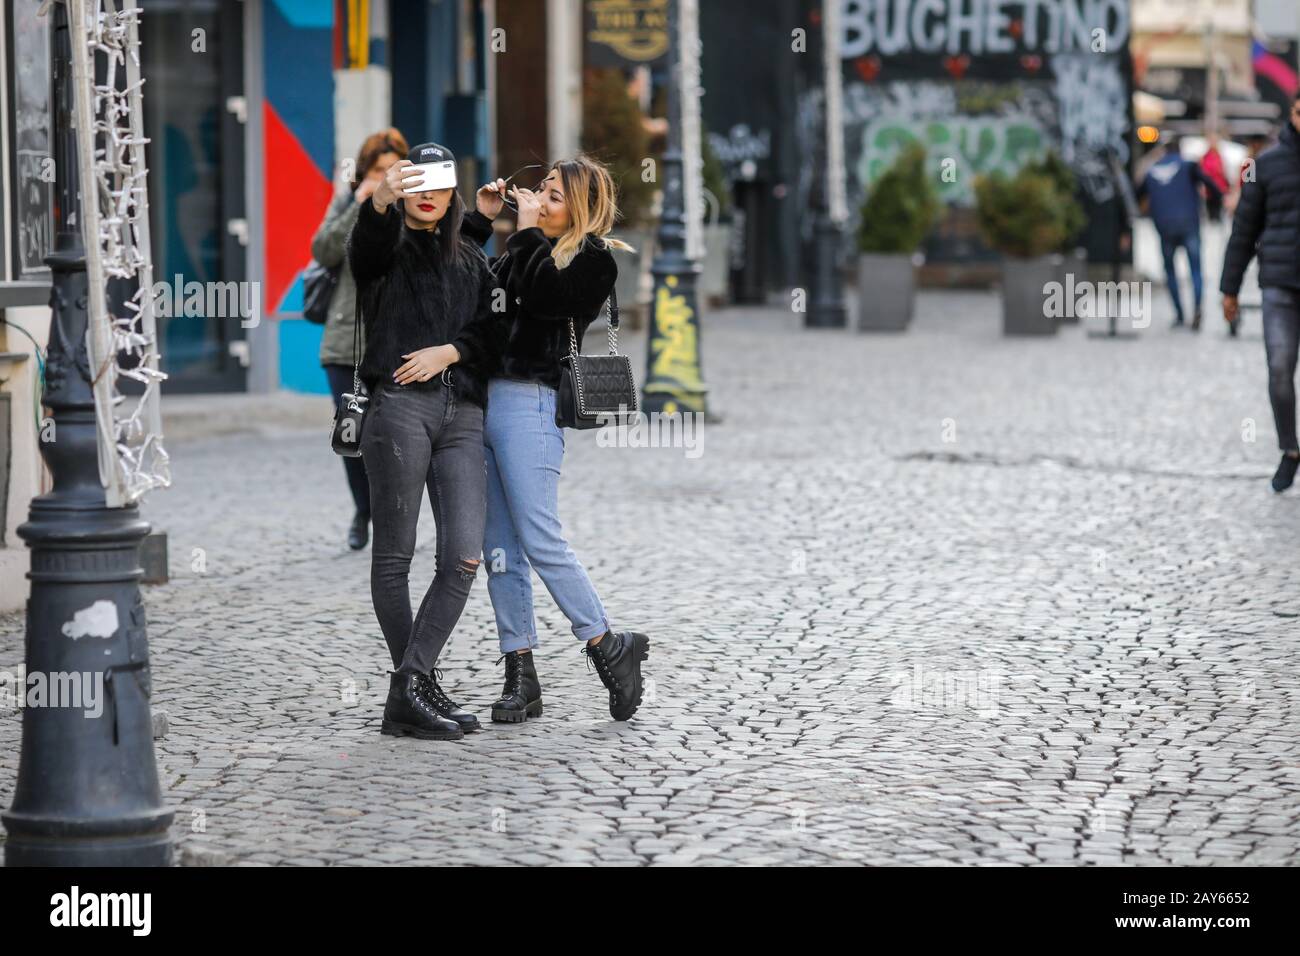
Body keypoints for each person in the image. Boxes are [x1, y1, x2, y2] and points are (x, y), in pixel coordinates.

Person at [439, 155, 651, 723]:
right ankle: (521, 673)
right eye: (542, 191)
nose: (540, 200)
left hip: (531, 405)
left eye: (554, 197)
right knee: (499, 548)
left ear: (578, 208)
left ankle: (608, 644)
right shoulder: (518, 251)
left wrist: (527, 231)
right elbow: (460, 294)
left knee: (539, 537)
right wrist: (481, 223)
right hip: (484, 402)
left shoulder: (593, 260)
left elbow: (549, 299)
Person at [347, 142, 497, 740]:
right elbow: (366, 250)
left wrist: (452, 351)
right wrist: (378, 204)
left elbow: (493, 328)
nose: (427, 193)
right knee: (395, 555)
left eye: (439, 182)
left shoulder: (470, 257)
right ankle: (416, 690)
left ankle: (410, 685)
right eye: (416, 183)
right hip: (399, 411)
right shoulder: (386, 254)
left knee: (463, 553)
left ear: (452, 188)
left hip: (462, 413)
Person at [312, 128, 408, 550]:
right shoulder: (349, 202)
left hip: (396, 341)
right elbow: (324, 250)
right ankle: (363, 511)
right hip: (345, 342)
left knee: (394, 436)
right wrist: (359, 205)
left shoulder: (415, 206)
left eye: (393, 170)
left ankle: (393, 514)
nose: (386, 177)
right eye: (377, 170)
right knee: (351, 433)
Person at [1221, 95, 1300, 493]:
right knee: (1280, 369)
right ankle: (1290, 450)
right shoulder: (1263, 166)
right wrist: (1229, 289)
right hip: (1280, 285)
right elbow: (1244, 230)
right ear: (1293, 112)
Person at [1137, 134, 1224, 330]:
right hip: (1189, 223)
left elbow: (1137, 194)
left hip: (1164, 226)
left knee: (1170, 271)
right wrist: (1219, 202)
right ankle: (1197, 309)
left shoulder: (1152, 171)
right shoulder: (1189, 166)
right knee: (1195, 269)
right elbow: (1212, 186)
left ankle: (1179, 314)